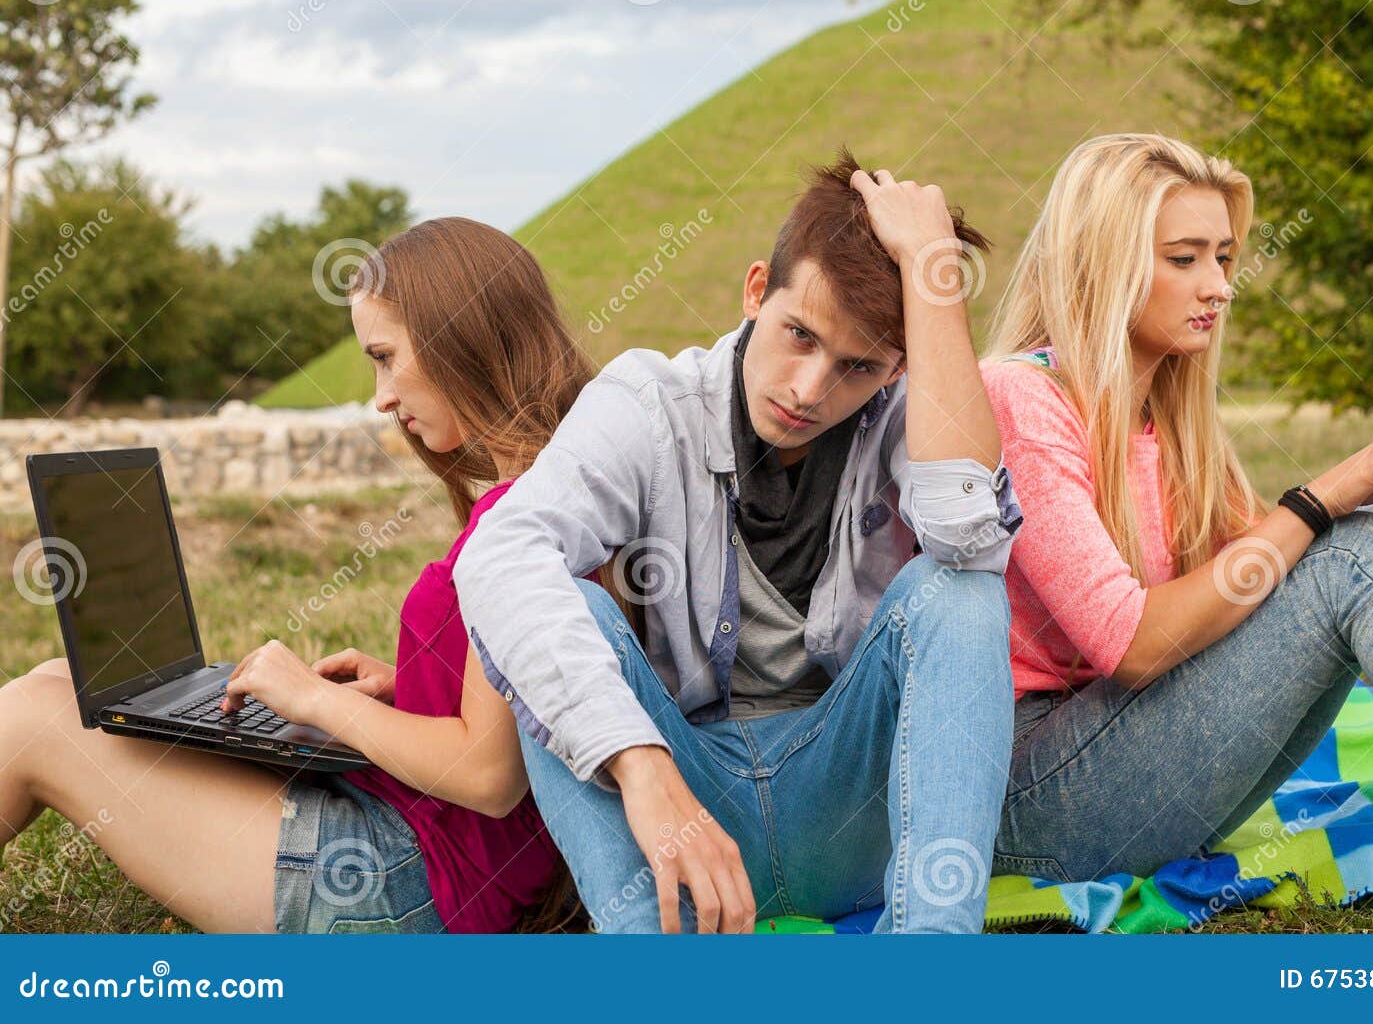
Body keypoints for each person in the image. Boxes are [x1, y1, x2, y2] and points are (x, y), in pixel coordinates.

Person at [980, 132, 1373, 908]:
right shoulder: (1019, 397)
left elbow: (1274, 573)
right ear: (1099, 263)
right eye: (1185, 259)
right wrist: (1317, 498)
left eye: (1225, 257)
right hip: (1033, 799)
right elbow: (1133, 644)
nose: (1219, 286)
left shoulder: (1162, 414)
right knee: (1343, 552)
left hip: (1129, 755)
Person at [455, 151, 1022, 933]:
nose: (809, 388)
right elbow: (499, 554)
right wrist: (640, 761)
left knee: (960, 590)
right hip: (691, 803)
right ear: (756, 290)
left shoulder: (905, 415)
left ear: (897, 366)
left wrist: (932, 272)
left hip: (850, 801)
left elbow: (967, 537)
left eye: (858, 366)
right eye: (799, 335)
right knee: (568, 605)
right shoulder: (649, 399)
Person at [0, 217, 585, 933]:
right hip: (422, 846)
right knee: (59, 681)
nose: (379, 396)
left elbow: (491, 779)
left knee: (33, 722)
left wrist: (314, 699)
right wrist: (416, 684)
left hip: (409, 886)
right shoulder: (553, 487)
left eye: (385, 355)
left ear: (455, 338)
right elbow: (535, 702)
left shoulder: (517, 517)